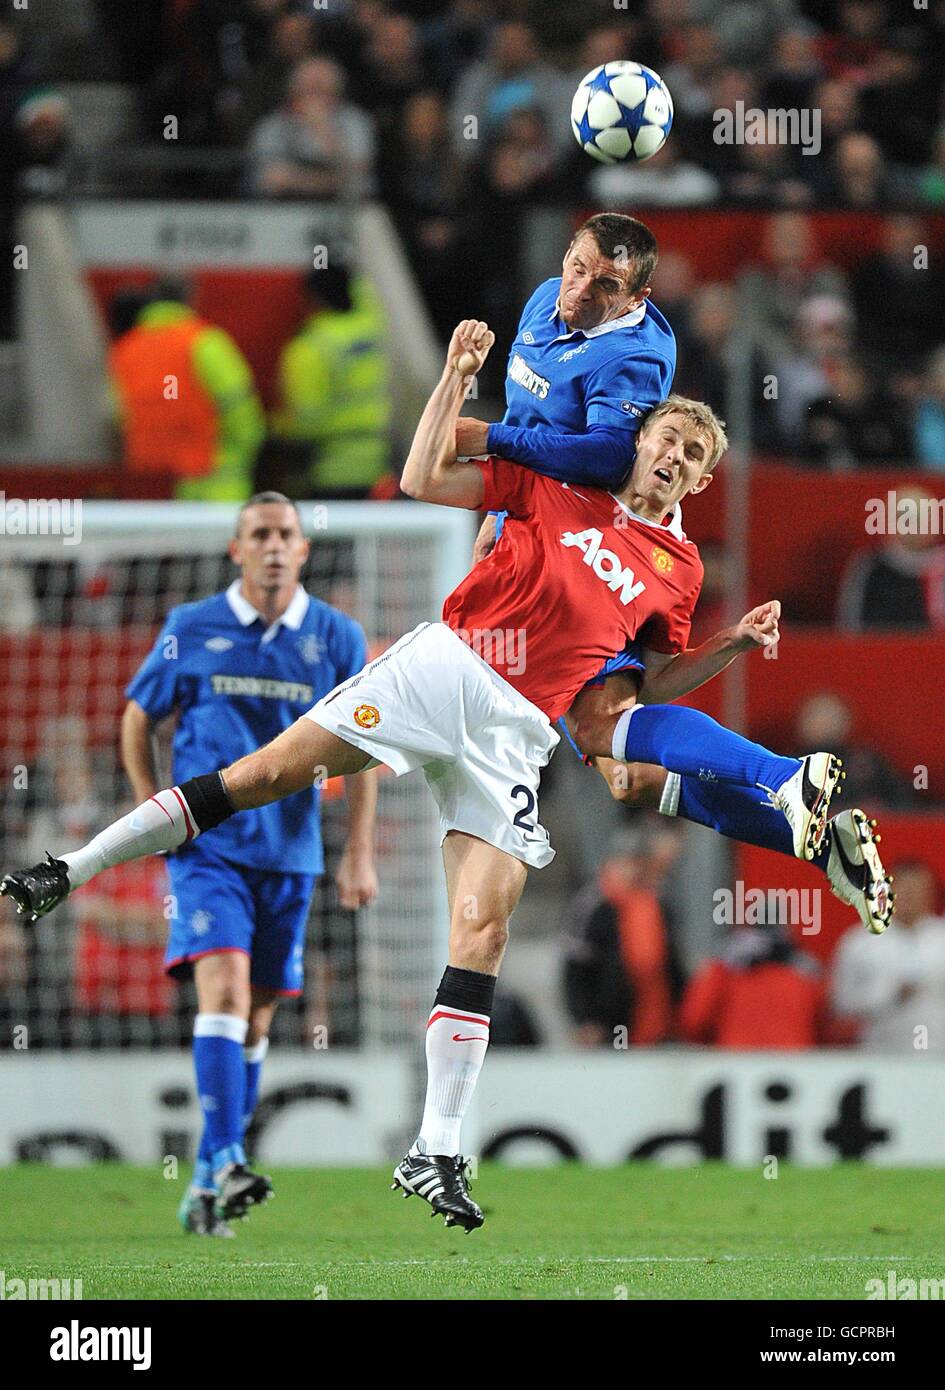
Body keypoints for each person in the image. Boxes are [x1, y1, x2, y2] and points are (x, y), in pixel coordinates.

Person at [2, 332, 857, 1233]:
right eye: (667, 438)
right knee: (261, 776)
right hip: (444, 669)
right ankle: (74, 867)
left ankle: (434, 1149)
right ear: (636, 440)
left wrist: (725, 647)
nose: (675, 457)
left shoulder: (676, 569)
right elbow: (423, 476)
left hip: (518, 731)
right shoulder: (558, 480)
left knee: (483, 929)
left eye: (694, 453)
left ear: (700, 479)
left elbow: (640, 686)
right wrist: (454, 379)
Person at [120, 491, 378, 1235]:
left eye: (285, 534)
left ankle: (206, 1180)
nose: (272, 545)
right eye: (258, 534)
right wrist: (151, 815)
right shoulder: (190, 628)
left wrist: (356, 850)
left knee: (258, 1016)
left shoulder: (335, 637)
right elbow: (138, 719)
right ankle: (230, 1156)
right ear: (237, 550)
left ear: (303, 550)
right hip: (209, 852)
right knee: (225, 993)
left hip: (291, 854)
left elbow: (362, 751)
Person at [109, 280, 265, 502]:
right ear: (191, 298)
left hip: (148, 496)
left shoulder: (123, 352)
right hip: (212, 492)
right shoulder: (206, 343)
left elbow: (117, 421)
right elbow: (245, 420)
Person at [270, 263, 391, 499]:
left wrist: (275, 427)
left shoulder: (310, 349)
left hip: (331, 470)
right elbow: (363, 291)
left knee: (333, 535)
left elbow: (305, 422)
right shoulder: (369, 326)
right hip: (376, 462)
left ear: (312, 299)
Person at [832, 861, 945, 1052]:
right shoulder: (860, 942)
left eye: (917, 888)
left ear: (931, 893)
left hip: (938, 1053)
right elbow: (841, 1002)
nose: (910, 895)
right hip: (879, 1053)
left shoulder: (941, 938)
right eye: (904, 887)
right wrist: (887, 996)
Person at [678, 923, 835, 1049]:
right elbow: (827, 1031)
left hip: (736, 1068)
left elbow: (694, 1022)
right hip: (793, 1072)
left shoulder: (724, 971)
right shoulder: (806, 973)